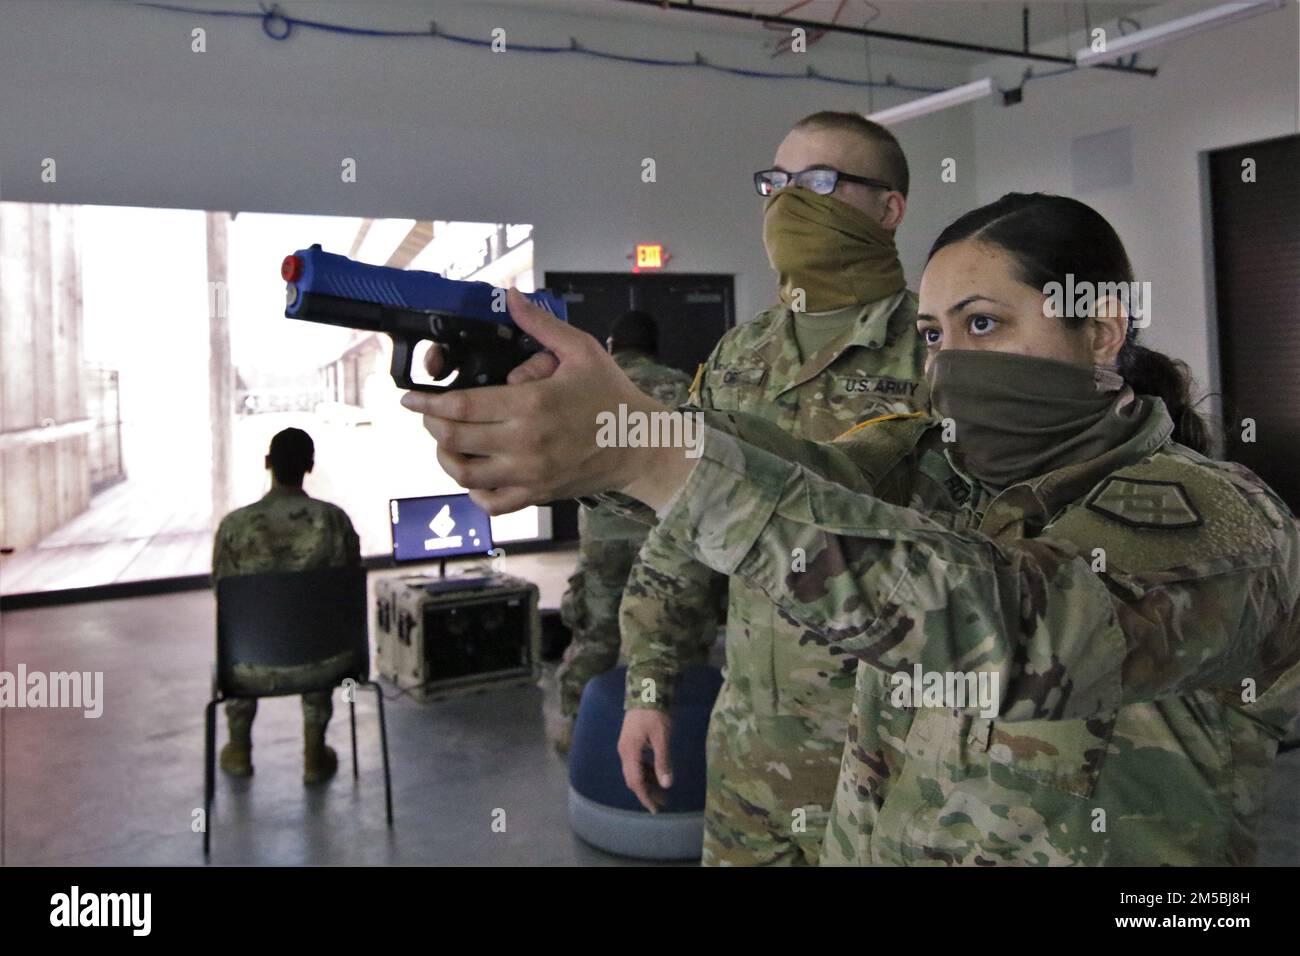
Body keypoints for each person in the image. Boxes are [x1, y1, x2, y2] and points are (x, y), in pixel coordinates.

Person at [402, 193, 1300, 865]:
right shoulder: (935, 468)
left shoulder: (1217, 520)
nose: (950, 362)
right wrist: (599, 414)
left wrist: (654, 458)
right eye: (935, 335)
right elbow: (788, 470)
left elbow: (1017, 636)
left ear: (1101, 332)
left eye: (985, 323)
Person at [617, 111, 928, 864]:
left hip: (901, 758)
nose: (788, 202)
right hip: (754, 747)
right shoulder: (741, 353)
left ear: (888, 210)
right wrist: (649, 686)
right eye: (776, 183)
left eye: (820, 183)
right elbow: (684, 524)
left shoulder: (937, 351)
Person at [550, 310, 703, 752]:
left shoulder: (590, 385)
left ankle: (577, 731)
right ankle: (671, 734)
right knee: (673, 635)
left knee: (596, 634)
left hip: (603, 535)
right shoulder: (681, 384)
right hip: (667, 538)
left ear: (612, 345)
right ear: (655, 347)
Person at [212, 427, 361, 785]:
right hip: (324, 662)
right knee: (318, 628)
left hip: (248, 667)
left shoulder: (235, 525)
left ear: (268, 464)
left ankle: (239, 749)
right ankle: (314, 754)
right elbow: (349, 592)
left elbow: (223, 593)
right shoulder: (333, 521)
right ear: (309, 467)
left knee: (241, 634)